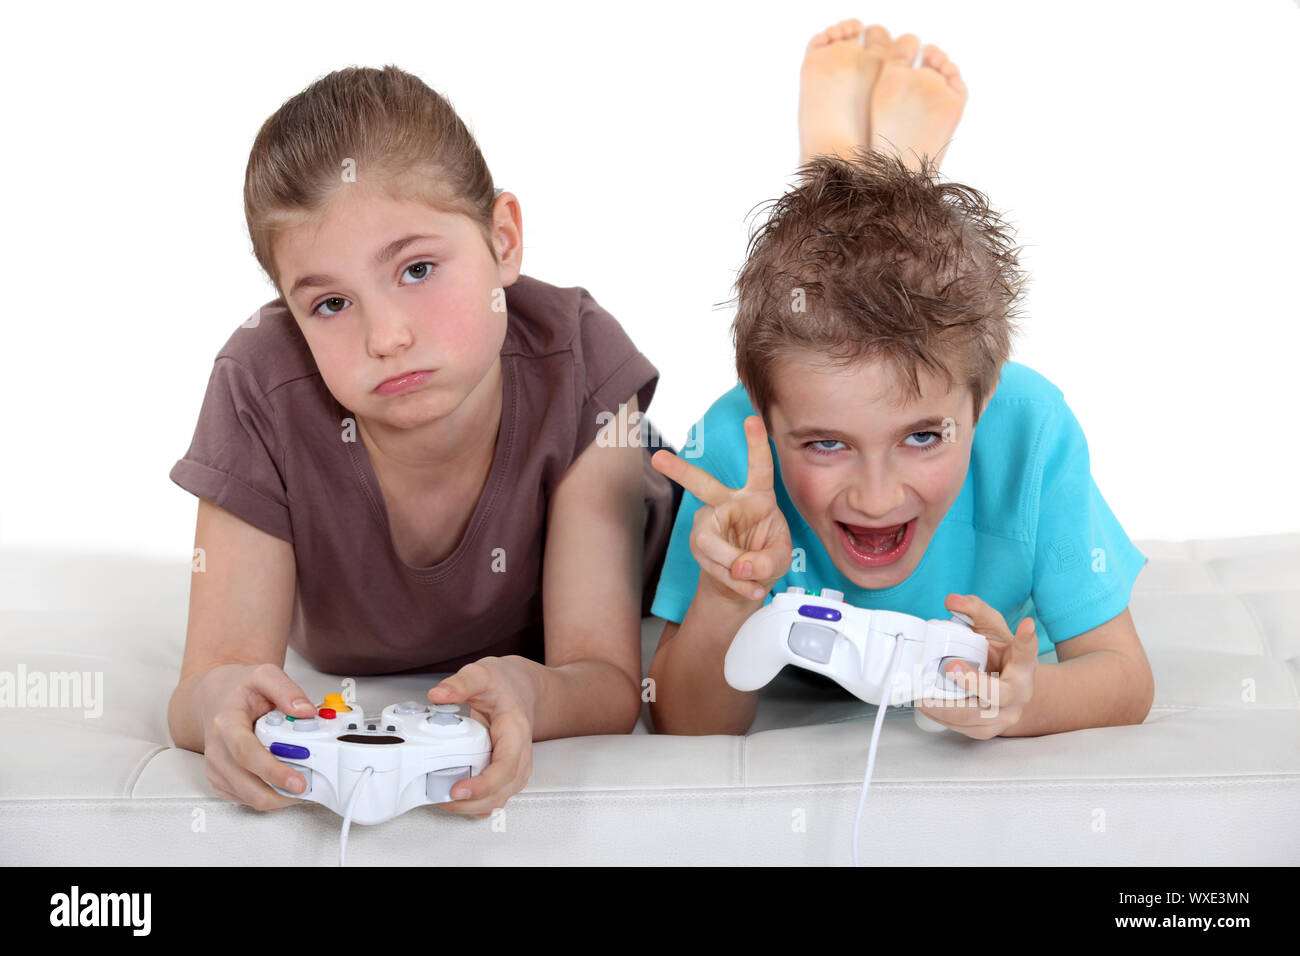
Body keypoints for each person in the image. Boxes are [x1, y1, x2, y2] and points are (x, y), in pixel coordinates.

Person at [167, 65, 678, 817]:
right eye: (332, 302)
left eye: (418, 269)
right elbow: (206, 681)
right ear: (288, 311)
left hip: (651, 517)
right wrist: (219, 704)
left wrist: (532, 691)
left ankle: (832, 154)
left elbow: (602, 679)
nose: (387, 336)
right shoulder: (259, 388)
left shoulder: (582, 362)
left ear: (503, 242)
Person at [647, 20, 1154, 737]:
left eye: (923, 436)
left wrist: (1023, 705)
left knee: (858, 296)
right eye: (824, 444)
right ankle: (858, 176)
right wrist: (729, 599)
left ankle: (849, 176)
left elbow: (1123, 676)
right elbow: (687, 724)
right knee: (836, 305)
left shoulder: (1029, 432)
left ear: (985, 399)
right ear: (761, 405)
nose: (878, 498)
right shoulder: (741, 449)